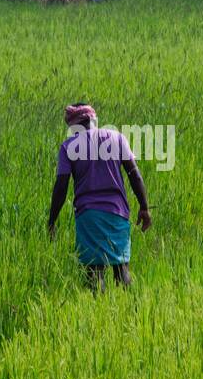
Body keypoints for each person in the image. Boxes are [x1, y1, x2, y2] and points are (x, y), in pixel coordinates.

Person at [48, 103, 152, 291]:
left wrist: (52, 220)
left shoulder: (68, 147)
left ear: (73, 125)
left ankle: (97, 311)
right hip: (118, 213)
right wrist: (144, 207)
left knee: (94, 275)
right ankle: (131, 311)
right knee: (122, 270)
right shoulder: (117, 138)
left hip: (88, 216)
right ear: (93, 120)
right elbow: (134, 174)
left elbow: (61, 186)